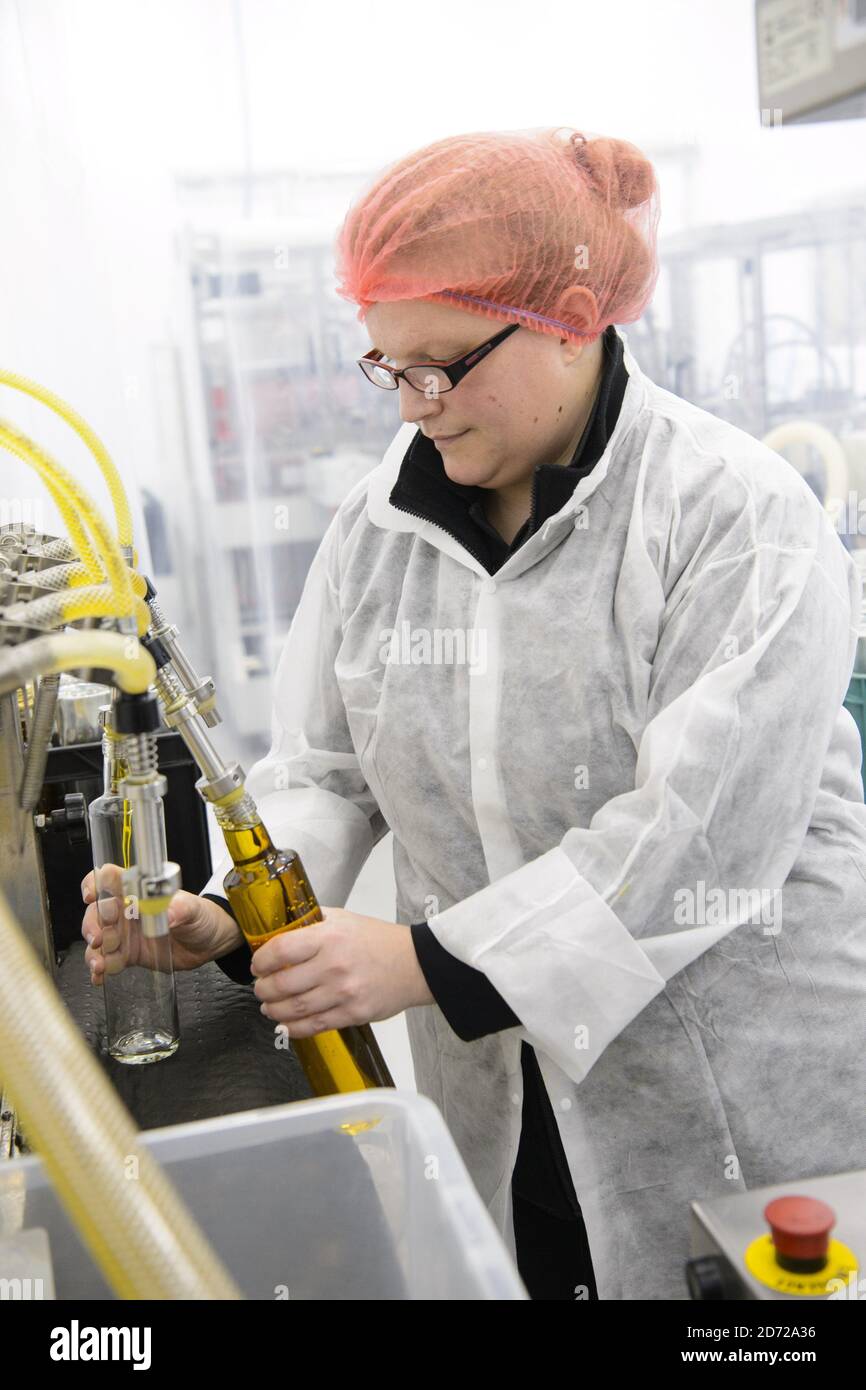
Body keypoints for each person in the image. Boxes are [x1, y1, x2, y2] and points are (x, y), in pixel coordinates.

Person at [83, 127, 866, 1301]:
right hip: (502, 1093)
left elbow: (694, 837)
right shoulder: (374, 533)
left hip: (728, 1090)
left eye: (441, 364)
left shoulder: (731, 517)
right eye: (386, 367)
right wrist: (233, 920)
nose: (413, 406)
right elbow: (328, 772)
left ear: (569, 313)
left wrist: (419, 960)